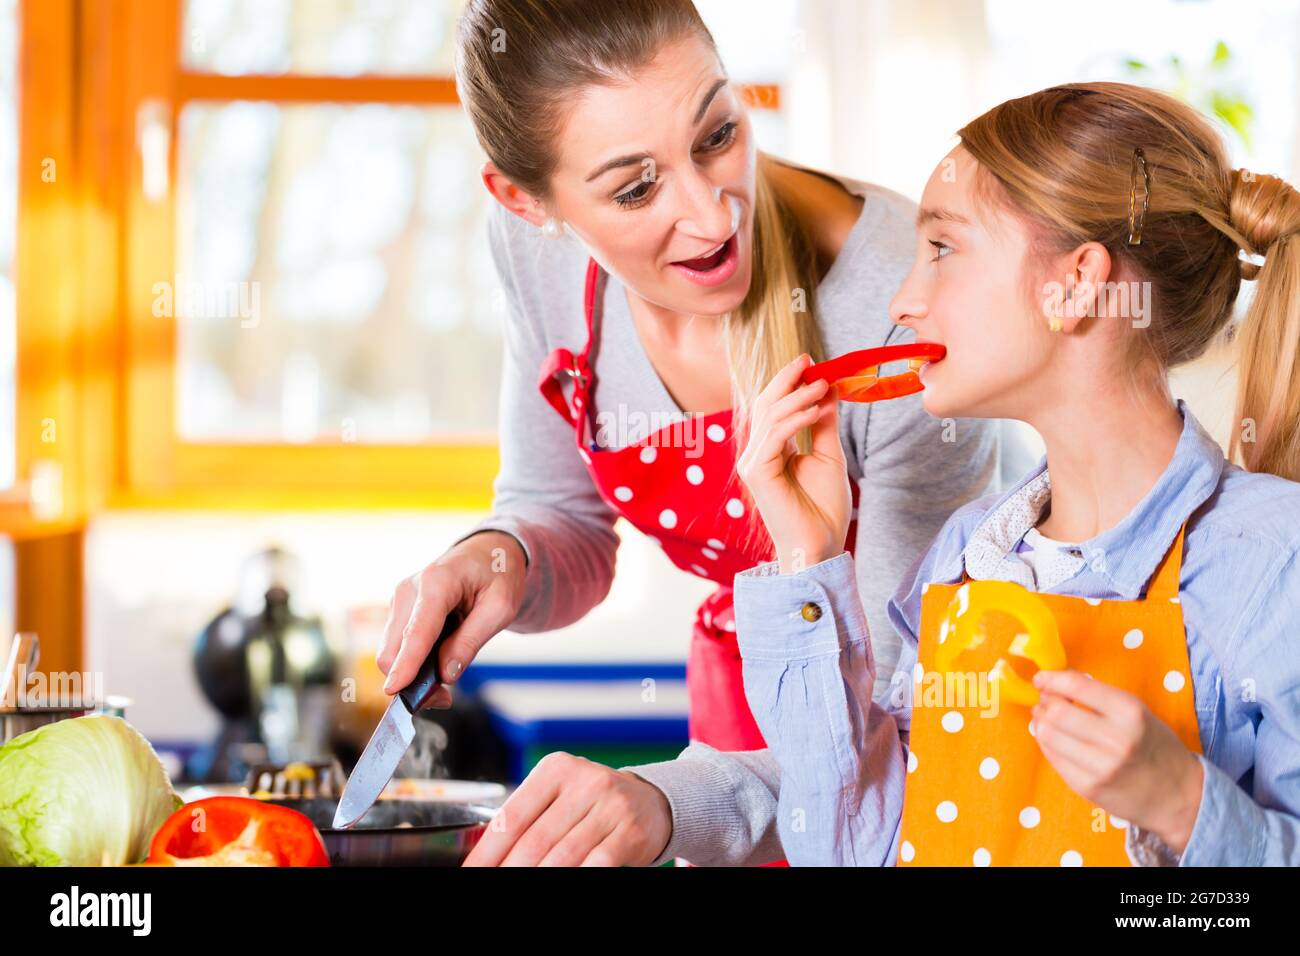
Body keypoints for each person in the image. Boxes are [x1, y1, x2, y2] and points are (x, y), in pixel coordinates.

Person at [465, 80, 1300, 867]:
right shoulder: (969, 558)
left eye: (941, 247)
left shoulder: (1274, 557)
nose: (902, 299)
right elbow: (854, 844)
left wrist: (1184, 804)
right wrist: (808, 555)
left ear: (1075, 286)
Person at [377, 0, 1024, 778]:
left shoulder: (895, 299)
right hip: (741, 705)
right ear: (526, 200)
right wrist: (496, 559)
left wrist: (678, 805)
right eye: (635, 190)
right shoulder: (536, 255)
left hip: (938, 729)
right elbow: (566, 525)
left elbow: (906, 699)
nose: (714, 218)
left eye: (718, 136)